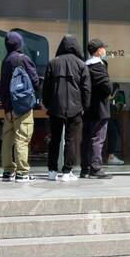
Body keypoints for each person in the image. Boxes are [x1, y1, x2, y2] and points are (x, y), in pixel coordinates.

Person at [44, 34, 89, 181]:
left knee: (54, 139)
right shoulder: (81, 65)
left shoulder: (53, 63)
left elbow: (46, 87)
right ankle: (66, 171)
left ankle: (51, 170)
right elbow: (86, 89)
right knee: (71, 140)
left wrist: (47, 104)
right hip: (76, 108)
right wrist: (84, 106)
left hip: (56, 107)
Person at [0, 30, 40, 182]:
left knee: (7, 139)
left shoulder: (6, 60)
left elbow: (3, 85)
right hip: (22, 106)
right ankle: (22, 172)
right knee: (22, 138)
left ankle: (7, 171)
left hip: (8, 107)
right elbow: (35, 81)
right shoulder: (23, 59)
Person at [81, 38, 114, 179]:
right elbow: (107, 88)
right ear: (98, 50)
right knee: (97, 139)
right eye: (103, 48)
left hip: (87, 109)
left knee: (87, 138)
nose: (104, 50)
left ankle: (85, 168)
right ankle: (95, 168)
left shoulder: (85, 66)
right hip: (99, 108)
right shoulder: (99, 67)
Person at [106, 84, 126, 166]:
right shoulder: (111, 94)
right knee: (113, 133)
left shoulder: (119, 95)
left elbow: (120, 105)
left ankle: (110, 156)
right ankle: (110, 157)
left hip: (110, 116)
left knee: (113, 133)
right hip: (105, 115)